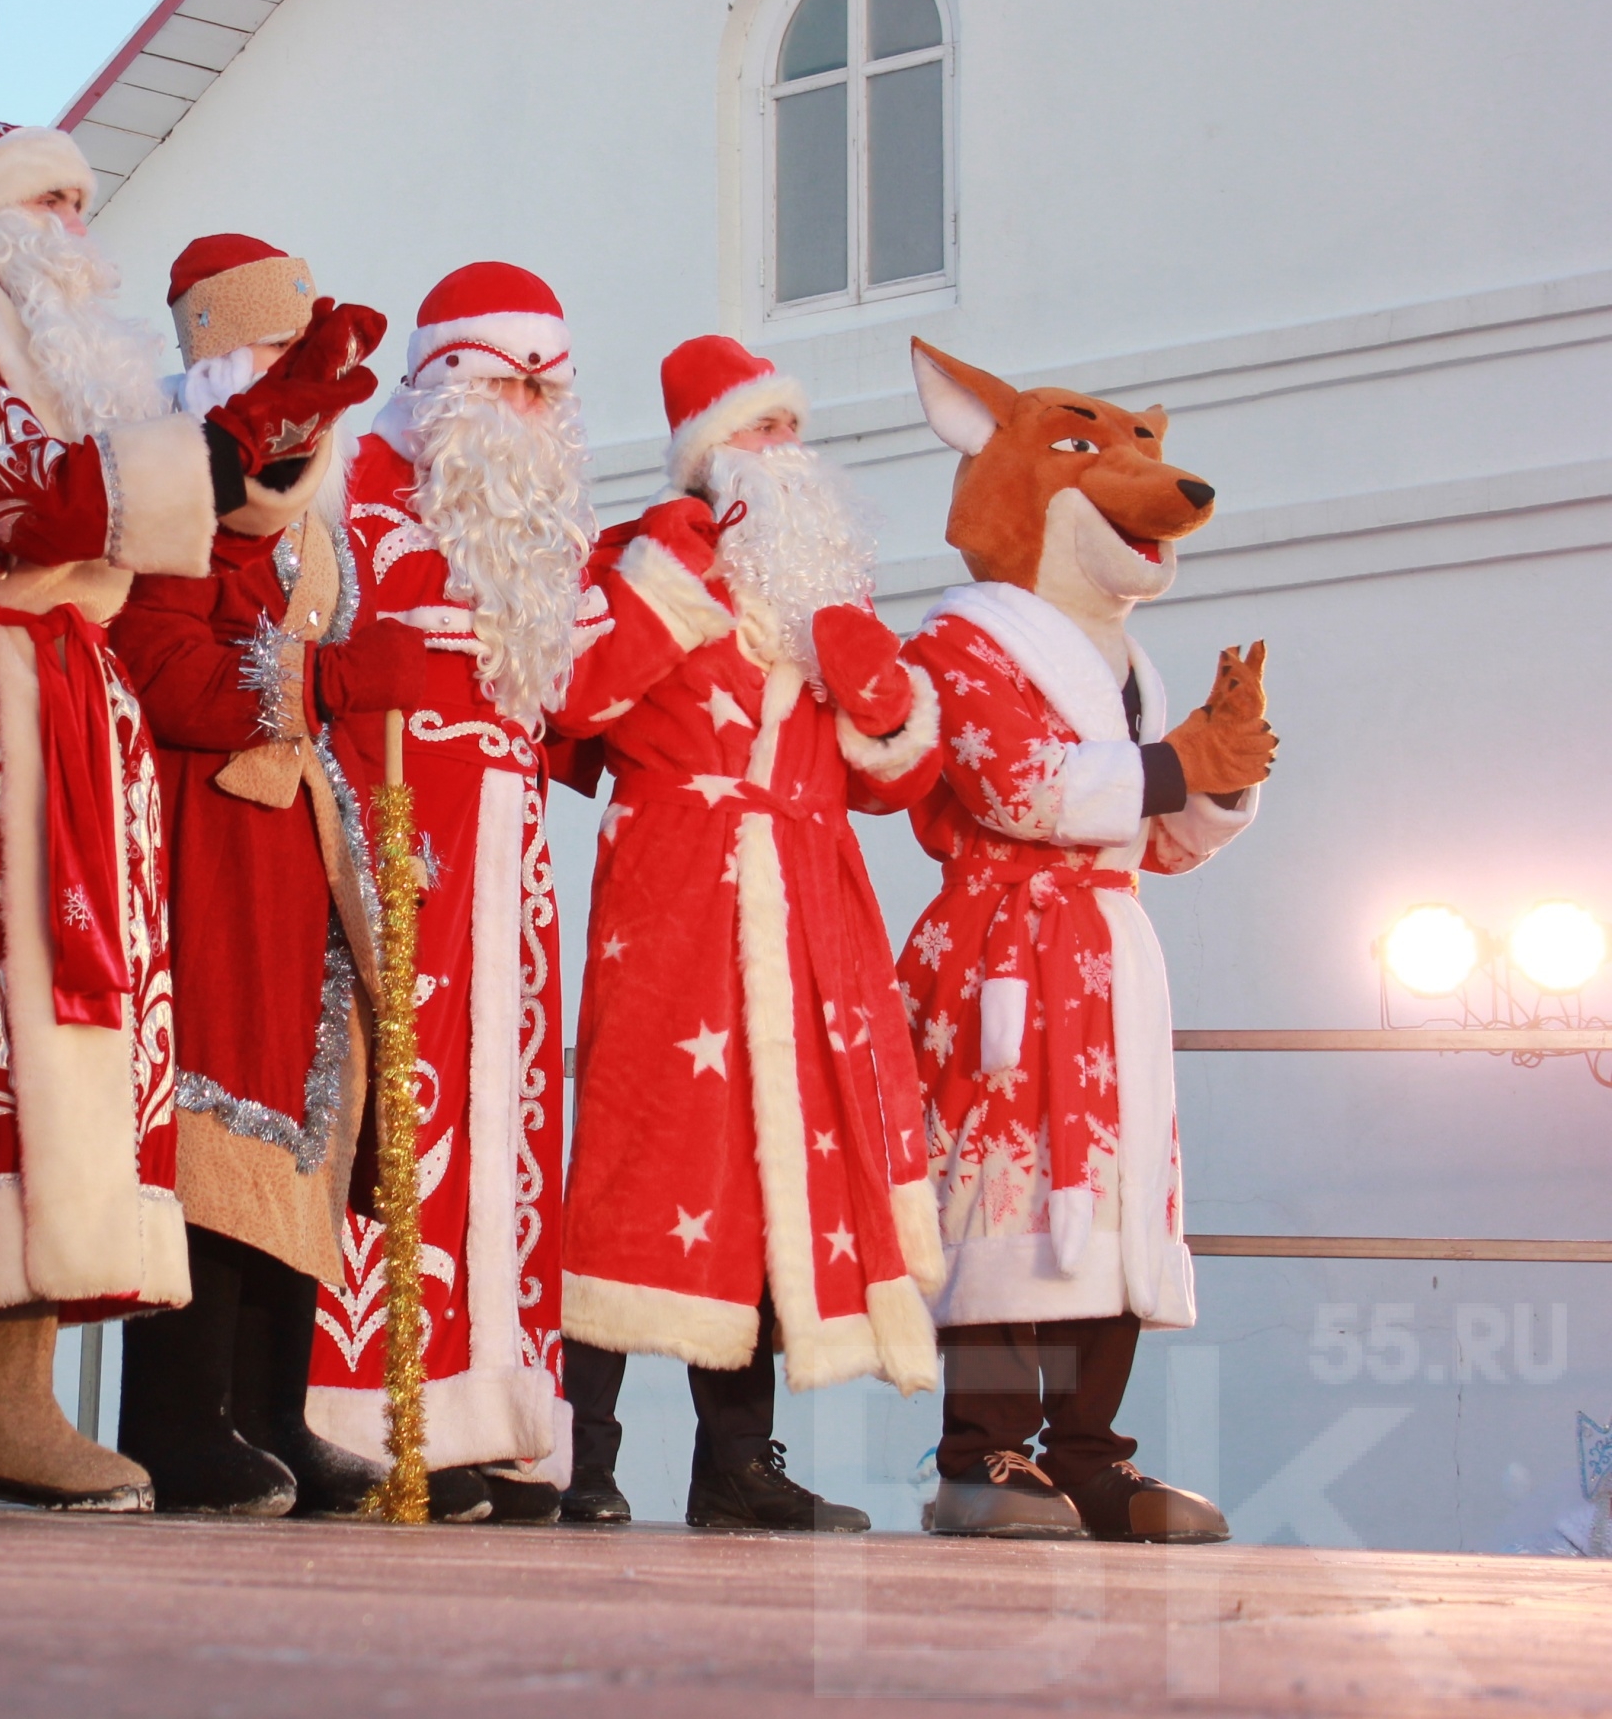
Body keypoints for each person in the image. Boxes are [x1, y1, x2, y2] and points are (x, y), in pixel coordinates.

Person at [0, 128, 373, 1509]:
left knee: (57, 1049)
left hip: (62, 695)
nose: (76, 221)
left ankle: (7, 1393)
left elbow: (131, 503)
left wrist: (272, 426)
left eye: (80, 199)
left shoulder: (52, 359)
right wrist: (244, 429)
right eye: (47, 199)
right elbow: (33, 501)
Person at [556, 334, 949, 1532]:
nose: (787, 451)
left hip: (810, 906)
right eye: (760, 431)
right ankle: (580, 1457)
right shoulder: (645, 564)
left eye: (792, 429)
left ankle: (736, 1464)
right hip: (679, 894)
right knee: (642, 1159)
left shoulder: (829, 591)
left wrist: (867, 669)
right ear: (710, 454)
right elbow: (570, 702)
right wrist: (664, 578)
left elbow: (901, 776)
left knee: (779, 1173)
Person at [897, 340, 1269, 1544]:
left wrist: (1219, 773)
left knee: (1110, 1204)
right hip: (1004, 948)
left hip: (1107, 948)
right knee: (1007, 1198)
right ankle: (980, 1453)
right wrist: (1173, 763)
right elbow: (1012, 784)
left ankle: (1090, 1452)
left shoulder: (1128, 663)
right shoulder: (963, 638)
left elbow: (1149, 840)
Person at [108, 235, 410, 1515]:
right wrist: (322, 683)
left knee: (309, 1114)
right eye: (282, 375)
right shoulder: (174, 508)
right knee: (212, 1114)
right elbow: (168, 672)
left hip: (301, 855)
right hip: (204, 841)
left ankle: (272, 1406)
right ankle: (182, 1418)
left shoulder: (320, 538)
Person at [308, 261, 607, 1525]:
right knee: (403, 1114)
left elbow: (580, 701)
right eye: (508, 386)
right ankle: (366, 1418)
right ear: (448, 386)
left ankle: (495, 1414)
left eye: (550, 391)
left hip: (514, 854)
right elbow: (327, 645)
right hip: (403, 834)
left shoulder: (539, 540)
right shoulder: (362, 486)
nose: (531, 414)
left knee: (504, 1122)